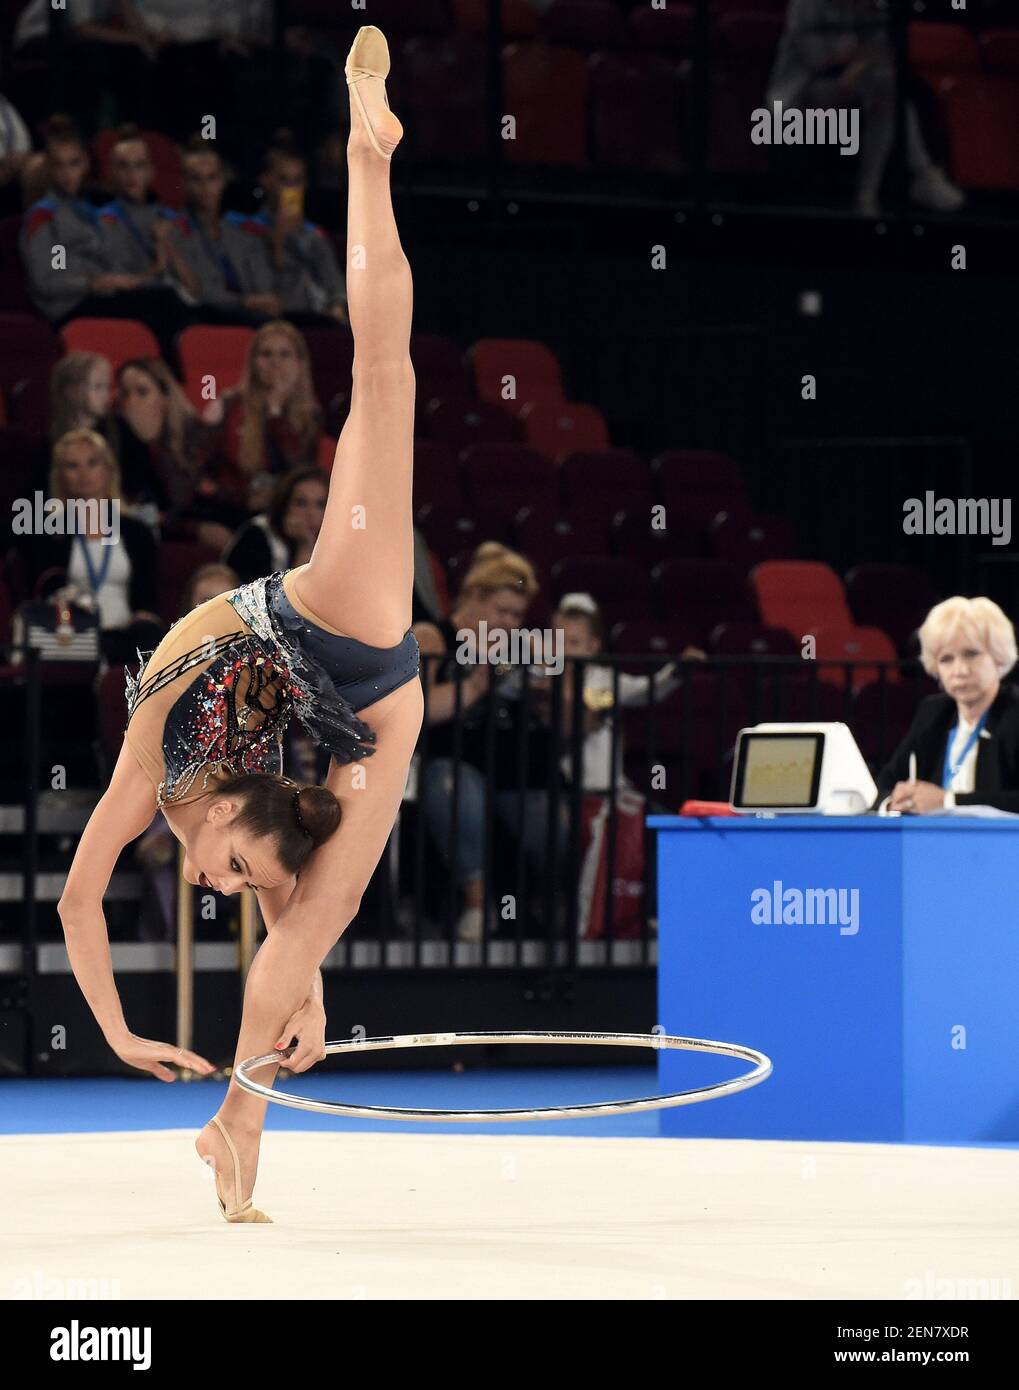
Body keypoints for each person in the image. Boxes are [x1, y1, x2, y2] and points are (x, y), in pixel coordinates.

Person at [57, 25, 420, 1224]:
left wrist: (118, 1032)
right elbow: (269, 866)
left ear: (213, 813)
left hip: (318, 629)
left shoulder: (155, 770)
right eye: (232, 877)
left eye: (222, 875)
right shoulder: (229, 802)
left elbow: (75, 900)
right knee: (320, 915)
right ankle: (235, 1133)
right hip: (371, 691)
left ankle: (364, 150)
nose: (213, 887)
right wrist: (296, 971)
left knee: (382, 380)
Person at [413, 541, 571, 941]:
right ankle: (477, 906)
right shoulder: (433, 635)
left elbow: (561, 718)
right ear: (474, 598)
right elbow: (423, 710)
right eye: (502, 611)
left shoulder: (520, 647)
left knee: (550, 814)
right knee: (455, 791)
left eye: (517, 615)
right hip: (451, 758)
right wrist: (480, 681)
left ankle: (547, 904)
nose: (510, 623)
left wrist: (547, 690)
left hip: (513, 764)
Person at [766, 0, 965, 216]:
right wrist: (861, 59)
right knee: (884, 87)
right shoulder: (806, 5)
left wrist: (861, 65)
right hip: (799, 91)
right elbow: (815, 56)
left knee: (889, 91)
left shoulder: (870, 7)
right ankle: (922, 172)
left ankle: (869, 197)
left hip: (855, 84)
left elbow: (882, 51)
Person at [19, 116, 192, 352]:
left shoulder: (91, 212)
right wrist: (92, 283)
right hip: (69, 307)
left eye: (74, 163)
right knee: (162, 304)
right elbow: (48, 281)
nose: (67, 173)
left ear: (86, 164)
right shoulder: (45, 216)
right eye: (59, 165)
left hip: (104, 297)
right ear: (49, 168)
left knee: (167, 299)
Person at [10, 428, 164, 664]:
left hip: (126, 635)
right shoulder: (48, 533)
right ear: (60, 476)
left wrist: (144, 615)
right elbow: (41, 588)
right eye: (72, 466)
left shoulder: (137, 533)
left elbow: (148, 595)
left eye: (92, 463)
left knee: (148, 636)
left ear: (108, 470)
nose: (84, 473)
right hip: (73, 633)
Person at [875, 596, 1019, 814]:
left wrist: (949, 802)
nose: (959, 671)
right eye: (946, 659)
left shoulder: (1014, 714)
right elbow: (883, 785)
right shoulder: (934, 713)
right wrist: (893, 802)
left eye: (971, 654)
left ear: (998, 657)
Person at [114, 357, 235, 547]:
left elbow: (209, 497)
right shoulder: (118, 444)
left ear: (166, 398)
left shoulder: (196, 437)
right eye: (125, 394)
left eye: (142, 392)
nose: (131, 402)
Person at [229, 133, 349, 324]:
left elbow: (336, 288)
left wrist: (336, 306)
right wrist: (278, 238)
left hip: (313, 319)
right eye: (284, 181)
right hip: (267, 320)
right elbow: (260, 289)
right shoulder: (244, 228)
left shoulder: (315, 236)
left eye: (297, 181)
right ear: (266, 180)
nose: (291, 190)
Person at [204, 320, 322, 514]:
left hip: (287, 513)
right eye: (266, 354)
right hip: (232, 508)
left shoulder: (310, 414)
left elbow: (298, 473)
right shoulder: (226, 406)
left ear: (299, 364)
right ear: (253, 362)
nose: (275, 362)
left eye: (284, 354)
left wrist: (275, 411)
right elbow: (202, 473)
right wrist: (243, 499)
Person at [165, 138, 280, 322]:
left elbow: (264, 285)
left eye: (212, 178)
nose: (205, 187)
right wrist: (246, 301)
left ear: (223, 181)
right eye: (196, 179)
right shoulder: (174, 232)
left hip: (253, 314)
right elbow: (200, 292)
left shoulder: (241, 232)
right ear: (184, 183)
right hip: (208, 317)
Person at [98, 126, 198, 298]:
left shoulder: (173, 219)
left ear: (151, 171)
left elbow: (196, 290)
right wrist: (157, 269)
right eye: (123, 166)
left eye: (139, 165)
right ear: (112, 172)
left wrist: (167, 245)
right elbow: (111, 286)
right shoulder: (102, 220)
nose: (132, 174)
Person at [223, 467, 328, 583]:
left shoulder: (332, 541)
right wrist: (305, 546)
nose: (311, 514)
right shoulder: (256, 535)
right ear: (284, 505)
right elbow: (284, 597)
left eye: (320, 505)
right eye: (301, 503)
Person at [49, 351, 113, 443]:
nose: (106, 395)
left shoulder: (118, 432)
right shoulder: (52, 439)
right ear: (72, 390)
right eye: (98, 387)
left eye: (108, 387)